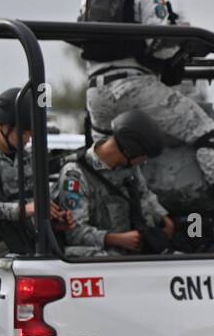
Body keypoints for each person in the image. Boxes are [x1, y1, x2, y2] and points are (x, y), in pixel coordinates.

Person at [78, 0, 214, 200]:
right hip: (135, 87)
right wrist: (184, 45)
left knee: (109, 160)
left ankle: (115, 221)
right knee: (204, 131)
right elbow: (160, 47)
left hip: (96, 94)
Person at [55, 110, 175, 257]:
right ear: (131, 151)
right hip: (100, 258)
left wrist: (163, 218)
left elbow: (144, 196)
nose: (144, 161)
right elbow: (74, 233)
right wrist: (115, 239)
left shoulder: (129, 168)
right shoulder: (75, 175)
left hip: (131, 251)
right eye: (143, 156)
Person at [0, 87, 73, 253]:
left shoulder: (28, 158)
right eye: (24, 132)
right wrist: (26, 209)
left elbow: (34, 203)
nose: (28, 138)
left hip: (27, 244)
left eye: (31, 133)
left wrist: (53, 220)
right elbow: (28, 207)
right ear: (4, 126)